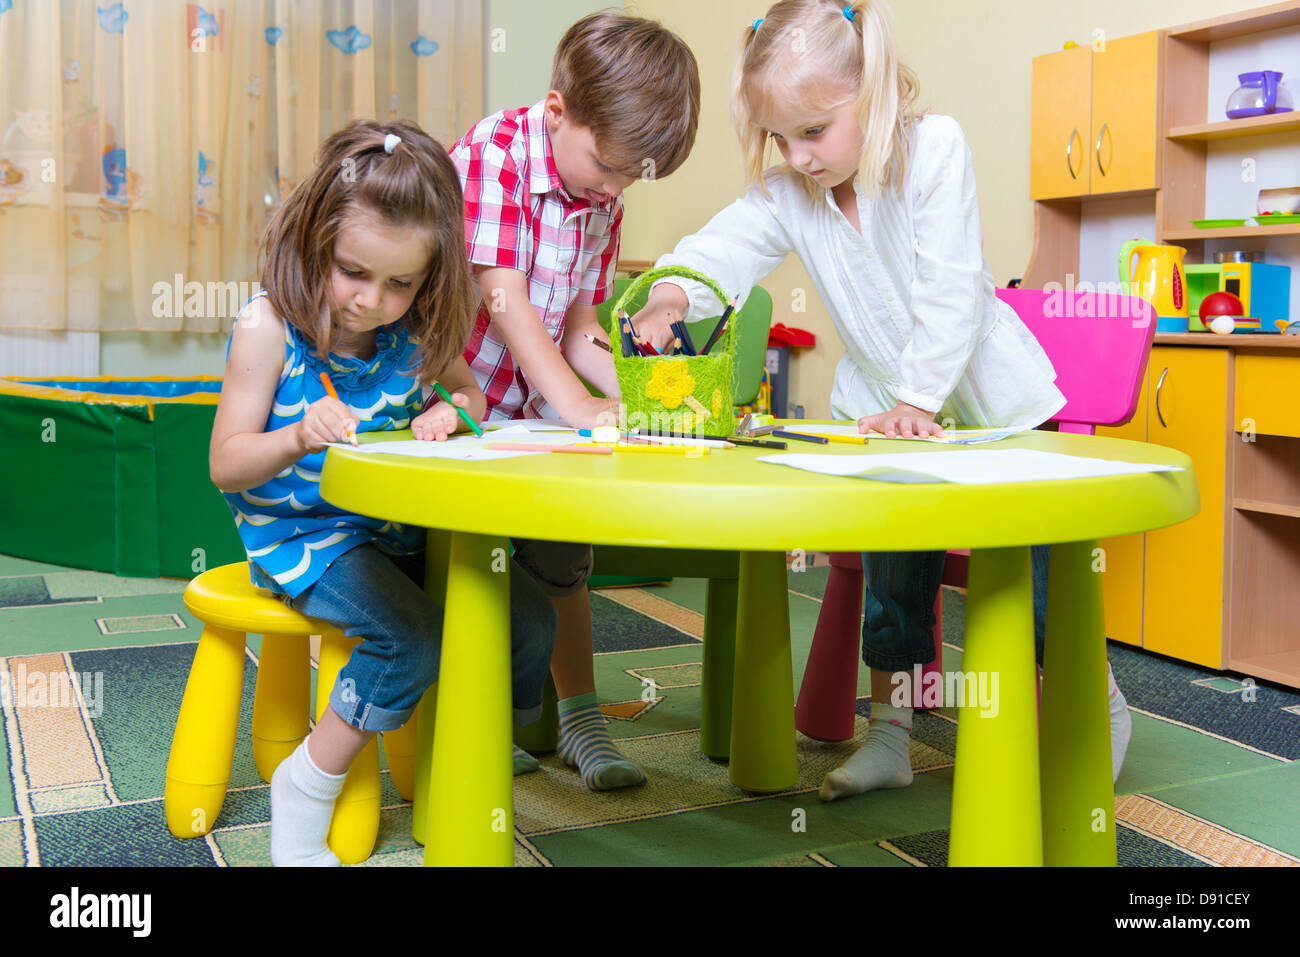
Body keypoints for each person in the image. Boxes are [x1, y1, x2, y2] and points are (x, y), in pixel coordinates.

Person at [631, 0, 1132, 799]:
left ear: (871, 94)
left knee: (1041, 591)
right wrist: (671, 292)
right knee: (896, 582)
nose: (795, 155)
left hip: (991, 407)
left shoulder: (934, 149)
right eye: (778, 138)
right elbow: (722, 247)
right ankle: (892, 735)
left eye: (814, 132)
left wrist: (916, 397)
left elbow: (951, 290)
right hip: (892, 417)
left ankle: (1099, 705)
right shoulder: (794, 189)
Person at [209, 120, 556, 865]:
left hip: (389, 526)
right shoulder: (268, 327)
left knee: (520, 611)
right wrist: (298, 435)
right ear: (312, 239)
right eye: (353, 272)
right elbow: (227, 463)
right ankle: (307, 781)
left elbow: (469, 394)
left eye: (402, 282)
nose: (373, 300)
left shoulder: (416, 331)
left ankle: (478, 745)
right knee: (414, 638)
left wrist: (450, 409)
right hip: (306, 538)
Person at [447, 12, 701, 790]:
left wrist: (638, 396)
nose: (617, 188)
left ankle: (581, 720)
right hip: (458, 401)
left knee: (564, 559)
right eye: (610, 167)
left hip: (532, 404)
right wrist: (579, 404)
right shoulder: (493, 156)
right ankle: (473, 718)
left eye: (634, 176)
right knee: (468, 563)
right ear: (558, 112)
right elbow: (504, 303)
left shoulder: (603, 191)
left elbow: (584, 325)